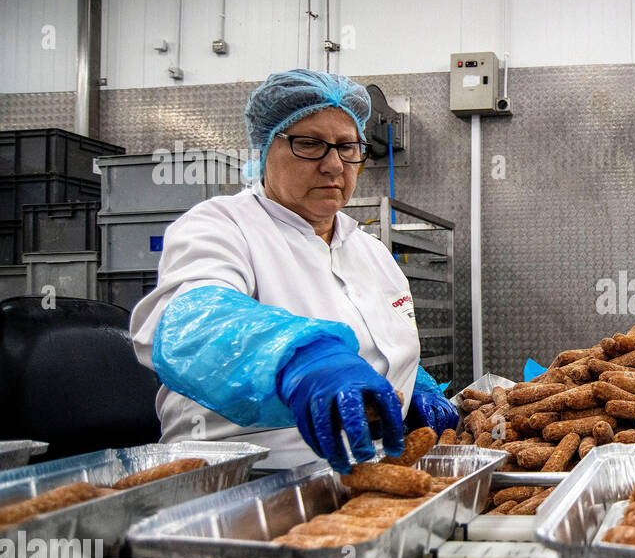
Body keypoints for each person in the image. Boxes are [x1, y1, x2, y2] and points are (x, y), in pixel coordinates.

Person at [130, 69, 458, 472]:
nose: (334, 165)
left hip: (368, 470)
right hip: (241, 475)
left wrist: (413, 383)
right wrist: (298, 359)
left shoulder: (371, 251)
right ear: (265, 149)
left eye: (348, 147)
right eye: (309, 144)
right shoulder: (221, 226)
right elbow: (189, 325)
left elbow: (380, 342)